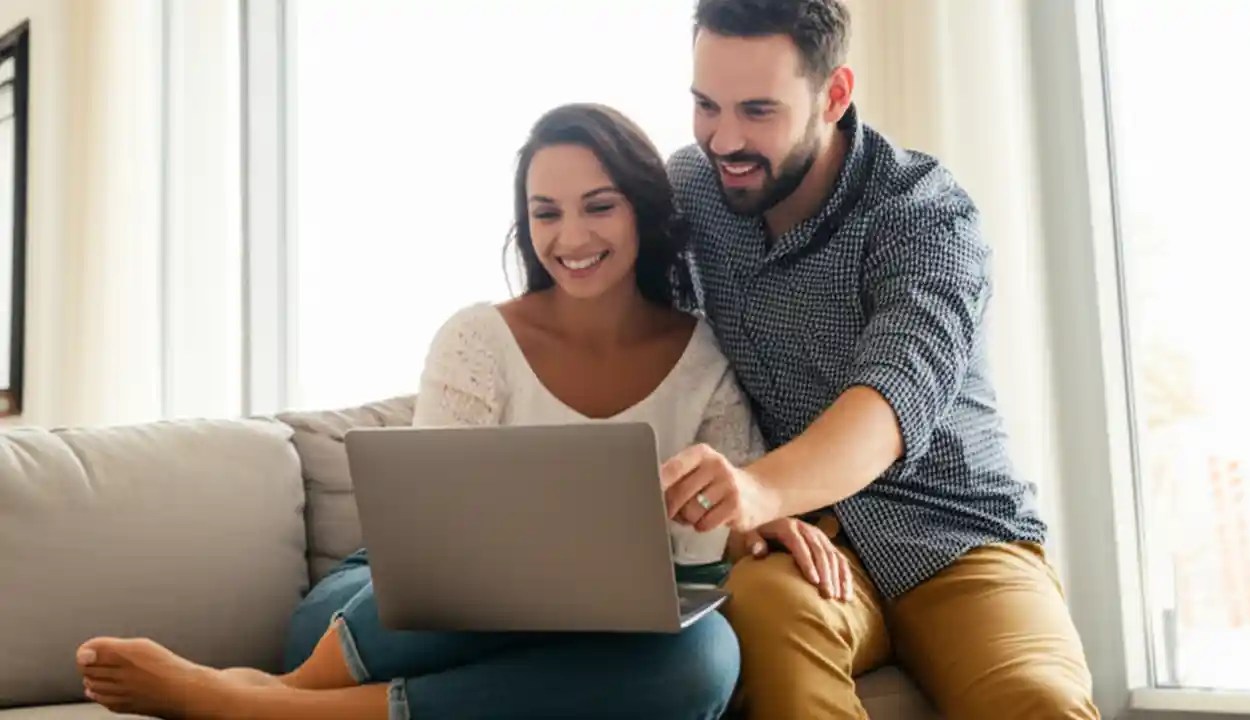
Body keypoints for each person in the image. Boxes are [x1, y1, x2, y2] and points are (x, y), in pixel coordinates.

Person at [72, 103, 849, 720]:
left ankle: (265, 705)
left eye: (597, 207)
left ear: (642, 212)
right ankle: (280, 693)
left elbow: (712, 550)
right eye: (546, 213)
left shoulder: (705, 362)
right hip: (389, 614)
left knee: (704, 662)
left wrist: (754, 520)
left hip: (599, 630)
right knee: (517, 591)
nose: (570, 237)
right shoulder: (479, 338)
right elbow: (434, 548)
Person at [657, 1, 1102, 719]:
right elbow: (622, 322)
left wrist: (759, 490)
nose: (725, 138)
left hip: (960, 534)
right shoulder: (691, 193)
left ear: (834, 96)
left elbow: (889, 402)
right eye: (706, 105)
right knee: (766, 617)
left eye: (758, 110)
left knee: (1039, 701)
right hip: (806, 545)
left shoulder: (924, 212)